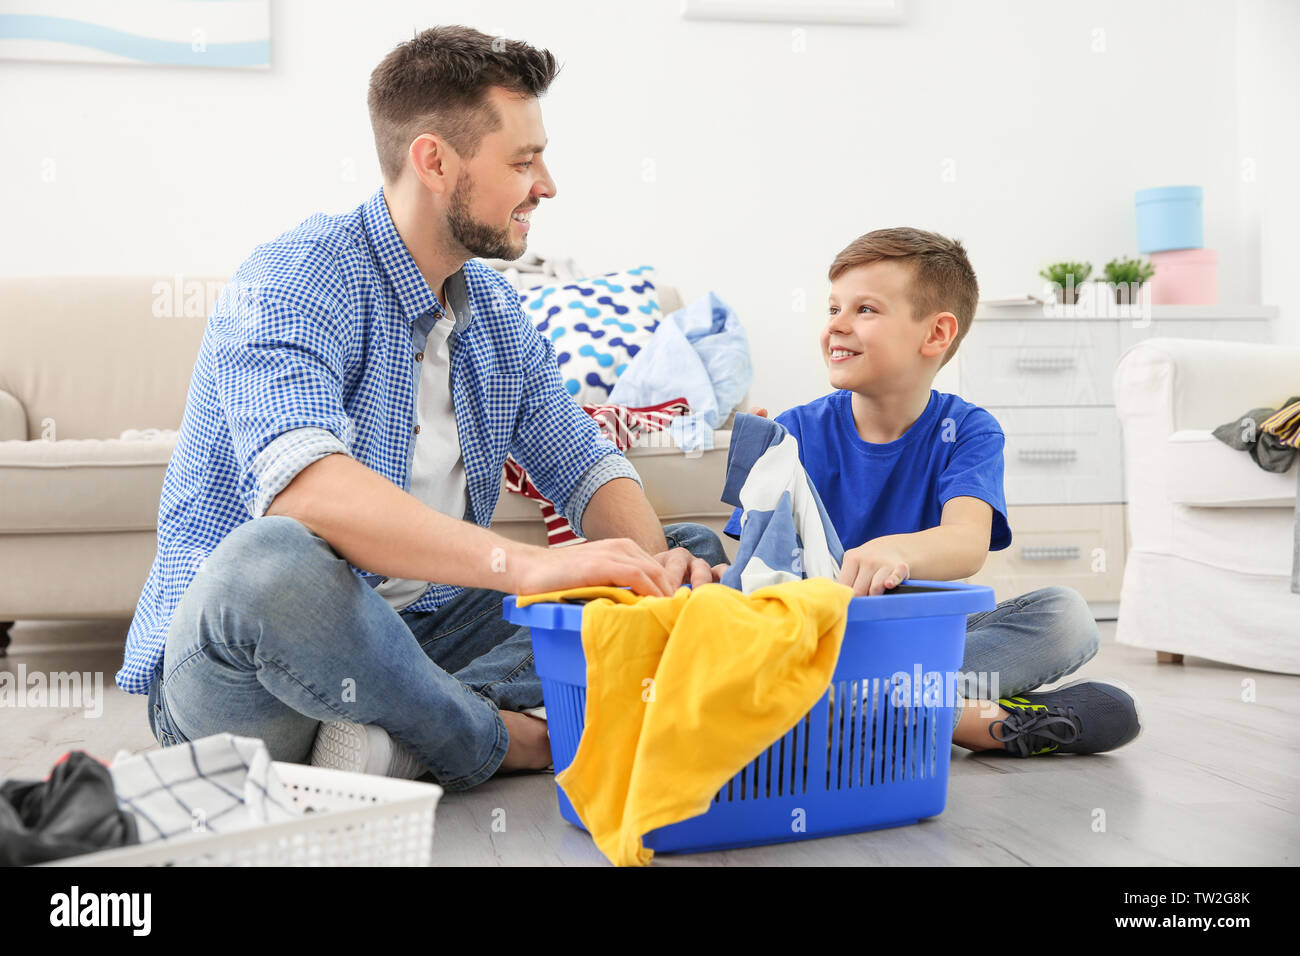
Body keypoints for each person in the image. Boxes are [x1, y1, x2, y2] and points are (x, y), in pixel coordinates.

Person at [116, 26, 729, 790]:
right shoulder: (296, 276)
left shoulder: (497, 313)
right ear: (435, 162)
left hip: (419, 643)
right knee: (269, 563)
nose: (547, 184)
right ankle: (502, 738)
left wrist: (651, 568)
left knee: (685, 551)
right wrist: (527, 565)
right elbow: (308, 490)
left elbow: (582, 466)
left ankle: (400, 735)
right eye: (523, 160)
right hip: (252, 677)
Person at [718, 228, 1141, 757]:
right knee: (693, 548)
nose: (836, 326)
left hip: (917, 640)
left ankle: (858, 708)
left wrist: (896, 551)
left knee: (1066, 616)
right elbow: (754, 567)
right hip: (813, 643)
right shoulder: (795, 432)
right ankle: (980, 721)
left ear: (936, 334)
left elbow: (966, 542)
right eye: (832, 308)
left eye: (865, 309)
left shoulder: (967, 430)